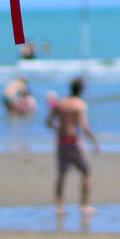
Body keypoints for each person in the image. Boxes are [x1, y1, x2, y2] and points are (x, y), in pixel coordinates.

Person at [46, 77, 99, 213]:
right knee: (87, 172)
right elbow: (84, 126)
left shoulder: (60, 103)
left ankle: (59, 207)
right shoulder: (79, 105)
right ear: (81, 90)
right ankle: (84, 205)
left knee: (62, 174)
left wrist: (59, 129)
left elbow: (49, 122)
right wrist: (94, 141)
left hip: (61, 141)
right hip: (74, 142)